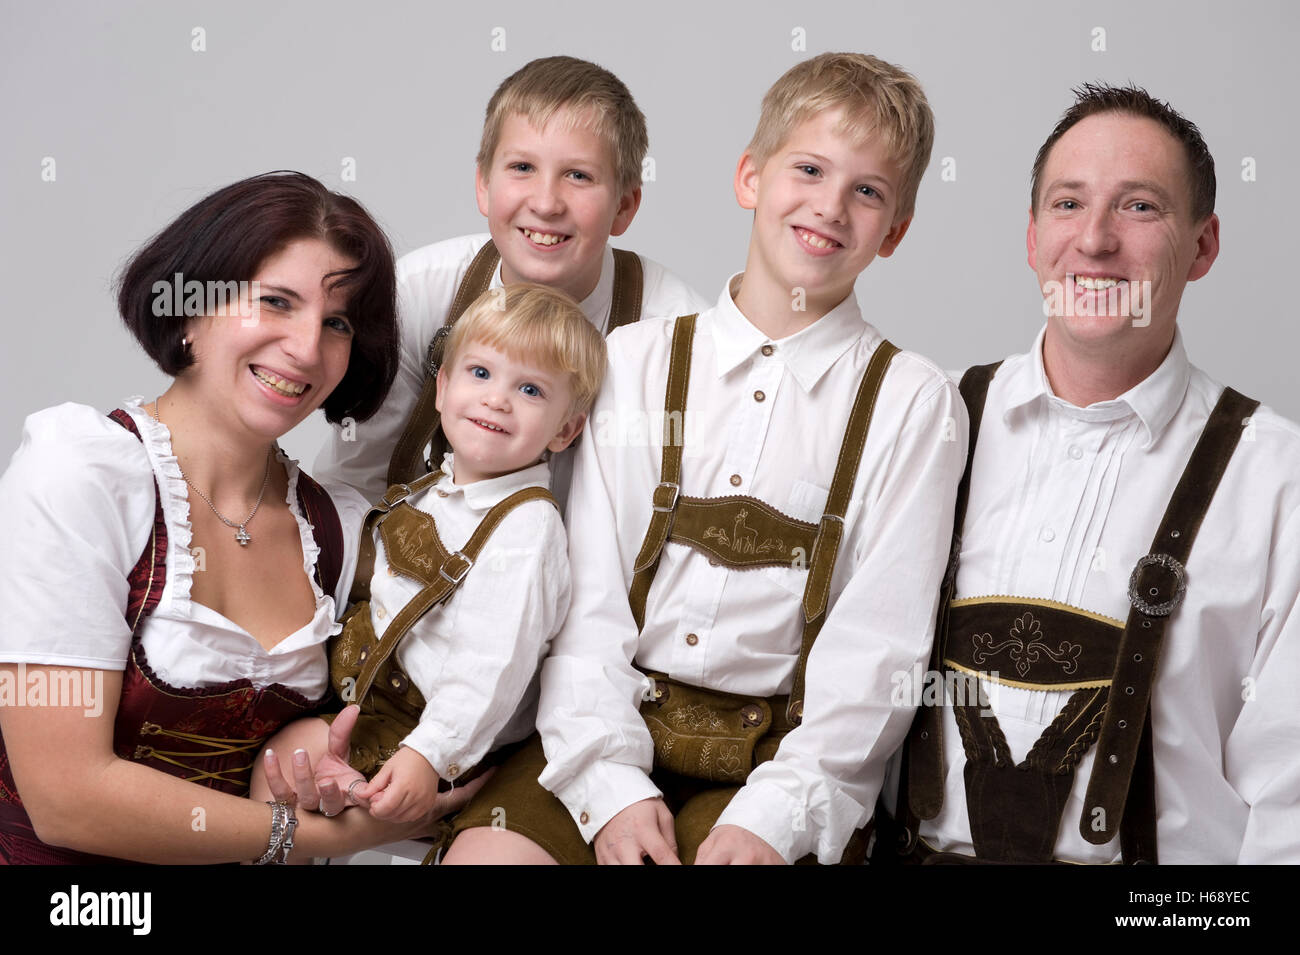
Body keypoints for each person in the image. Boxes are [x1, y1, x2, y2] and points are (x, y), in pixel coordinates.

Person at [444, 52, 967, 865]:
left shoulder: (913, 402)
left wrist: (778, 815)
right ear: (750, 177)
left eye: (867, 191)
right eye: (808, 169)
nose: (829, 205)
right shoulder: (637, 358)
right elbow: (587, 604)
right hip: (605, 730)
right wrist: (610, 782)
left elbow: (878, 653)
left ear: (894, 230)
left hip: (775, 765)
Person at [0, 171, 480, 864]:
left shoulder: (339, 531)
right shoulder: (82, 477)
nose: (306, 348)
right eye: (276, 302)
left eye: (336, 322)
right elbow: (65, 796)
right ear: (192, 310)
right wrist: (321, 837)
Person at [881, 84, 1300, 864]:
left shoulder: (1277, 479)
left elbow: (1292, 804)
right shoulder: (928, 422)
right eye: (1069, 204)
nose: (1096, 240)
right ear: (1033, 238)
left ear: (1203, 246)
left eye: (1140, 207)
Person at [250, 284, 605, 860]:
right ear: (442, 390)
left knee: (288, 778)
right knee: (282, 767)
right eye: (481, 373)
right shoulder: (431, 491)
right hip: (370, 700)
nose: (497, 400)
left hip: (437, 727)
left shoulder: (526, 527)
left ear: (565, 431)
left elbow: (492, 665)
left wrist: (429, 754)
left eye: (531, 389)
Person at [314, 55, 708, 509]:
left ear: (624, 206)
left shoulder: (679, 335)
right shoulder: (417, 295)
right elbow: (352, 485)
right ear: (483, 183)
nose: (545, 203)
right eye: (522, 167)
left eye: (578, 176)